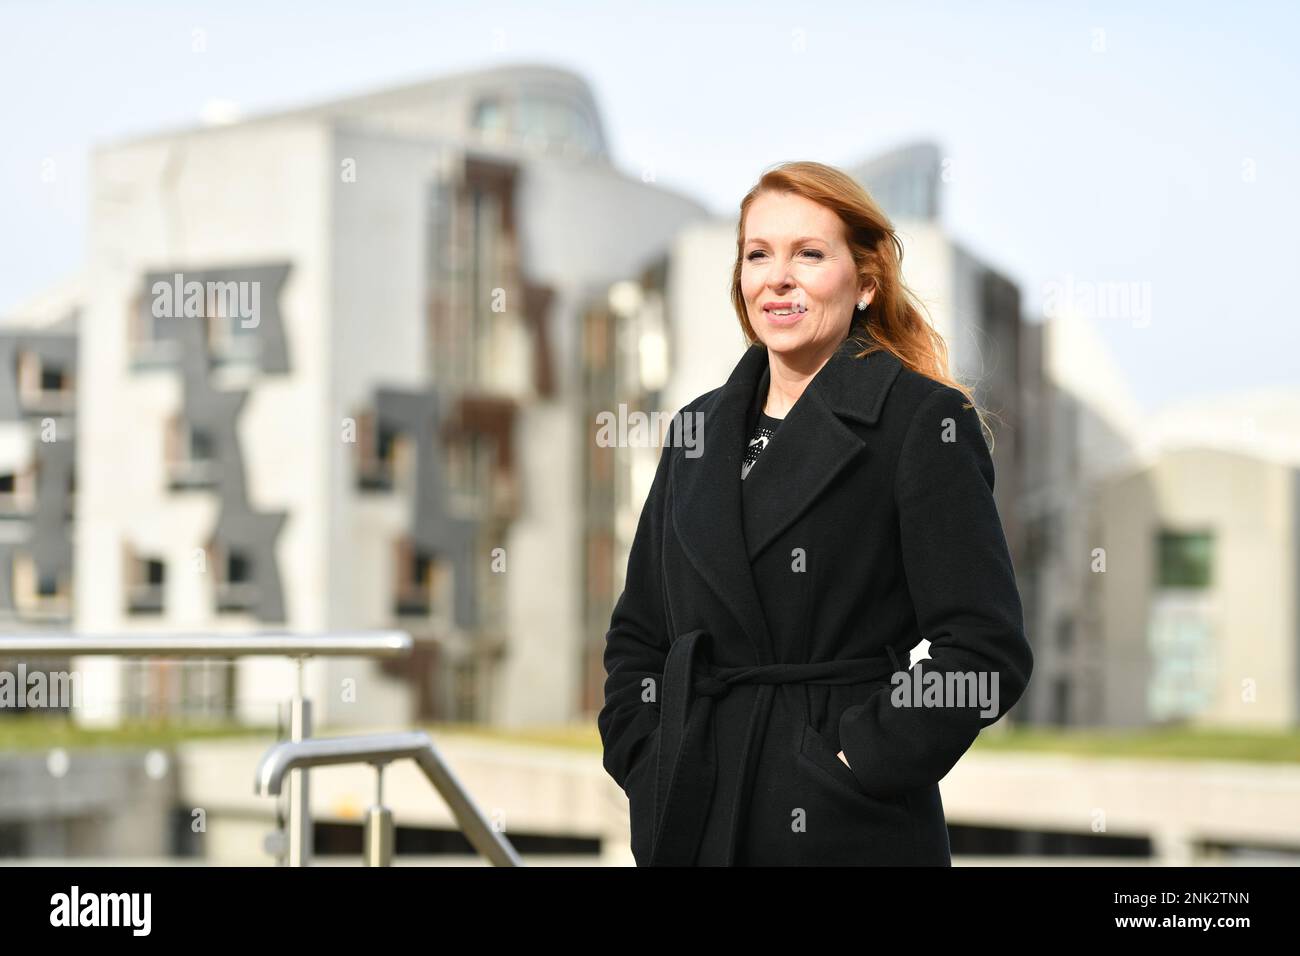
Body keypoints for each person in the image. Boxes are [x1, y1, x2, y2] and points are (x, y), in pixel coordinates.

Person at [597, 160, 1034, 866]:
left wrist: (856, 762)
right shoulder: (696, 428)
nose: (778, 276)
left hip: (842, 829)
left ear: (865, 281)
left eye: (809, 253)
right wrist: (645, 754)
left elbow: (985, 651)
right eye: (758, 254)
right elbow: (639, 633)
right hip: (693, 812)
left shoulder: (920, 422)